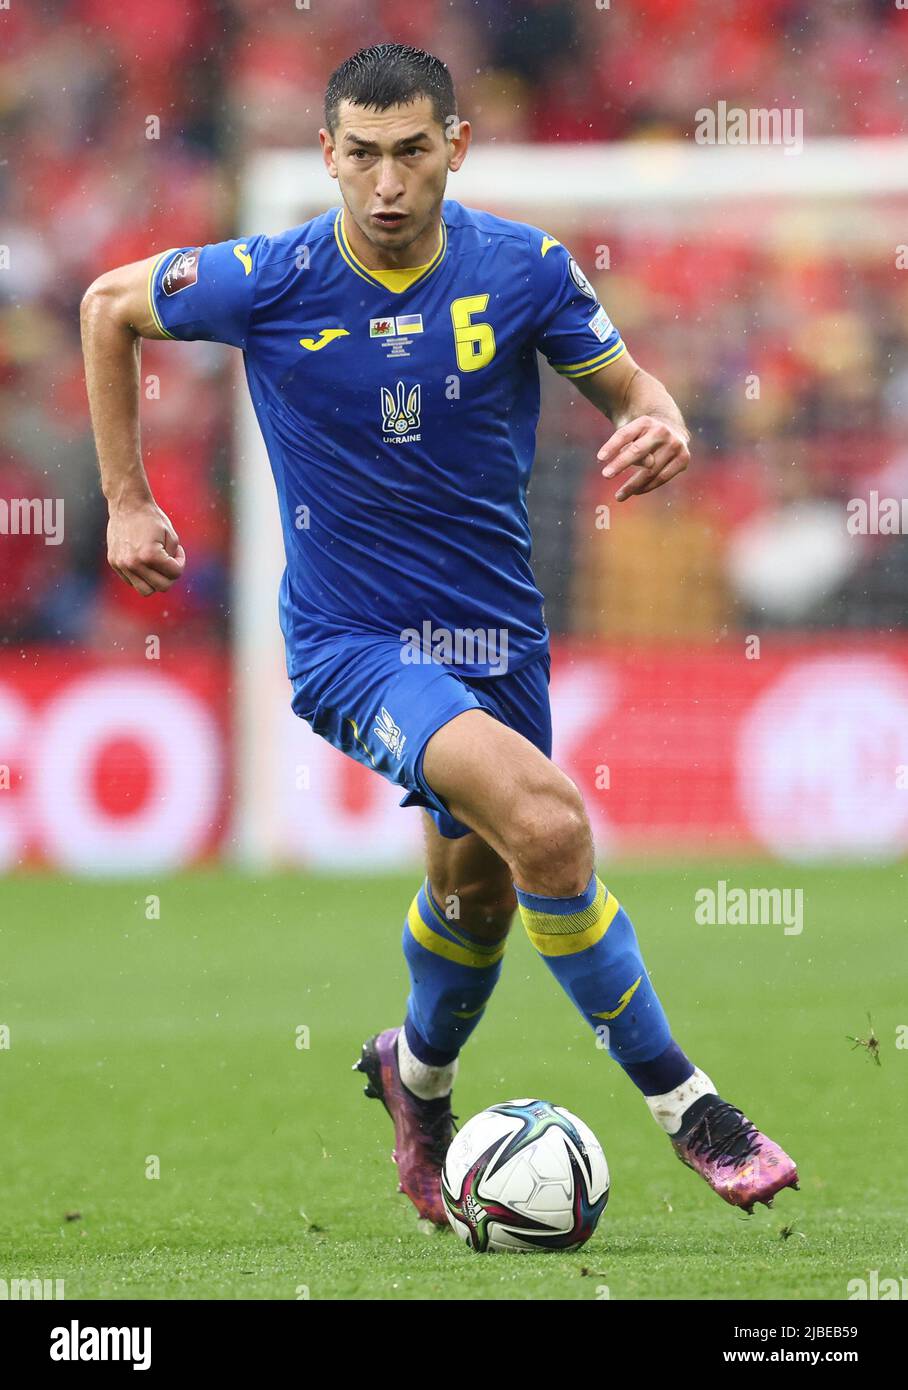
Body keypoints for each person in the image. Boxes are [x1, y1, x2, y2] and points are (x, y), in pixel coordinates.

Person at [81, 42, 797, 1229]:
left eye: (412, 151)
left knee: (481, 901)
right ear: (326, 155)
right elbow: (109, 305)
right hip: (353, 643)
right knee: (550, 825)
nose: (387, 183)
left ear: (452, 147)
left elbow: (632, 392)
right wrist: (124, 498)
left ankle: (413, 1085)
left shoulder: (522, 270)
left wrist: (659, 415)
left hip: (496, 643)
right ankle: (693, 1110)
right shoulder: (270, 277)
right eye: (359, 155)